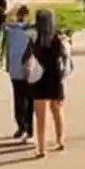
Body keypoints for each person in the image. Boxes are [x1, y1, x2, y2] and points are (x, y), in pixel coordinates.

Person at [23, 10, 69, 158]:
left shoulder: (34, 39)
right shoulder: (58, 40)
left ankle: (41, 148)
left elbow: (25, 58)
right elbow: (64, 59)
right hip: (55, 79)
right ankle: (60, 139)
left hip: (38, 79)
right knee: (57, 110)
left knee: (40, 116)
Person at [0, 6, 34, 142]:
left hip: (27, 69)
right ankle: (23, 127)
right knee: (21, 100)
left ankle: (27, 128)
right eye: (20, 15)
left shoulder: (30, 30)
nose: (21, 17)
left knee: (25, 100)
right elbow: (4, 25)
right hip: (18, 69)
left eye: (23, 15)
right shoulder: (11, 30)